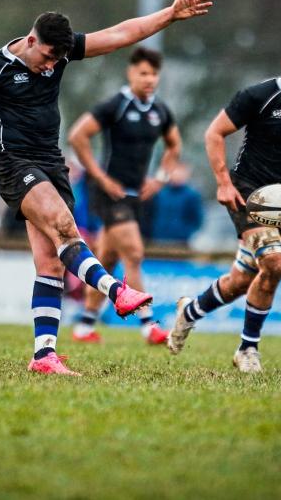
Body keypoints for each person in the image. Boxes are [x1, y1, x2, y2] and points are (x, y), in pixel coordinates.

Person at [0, 0, 212, 375]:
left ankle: (44, 355)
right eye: (48, 55)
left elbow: (119, 35)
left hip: (52, 165)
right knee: (64, 227)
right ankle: (116, 291)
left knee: (51, 263)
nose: (53, 64)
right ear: (30, 40)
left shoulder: (59, 51)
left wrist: (169, 15)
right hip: (15, 165)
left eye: (60, 57)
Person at [167, 32, 281, 373]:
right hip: (245, 190)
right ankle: (247, 349)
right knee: (276, 263)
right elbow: (214, 133)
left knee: (242, 279)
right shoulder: (259, 95)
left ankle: (189, 311)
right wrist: (223, 182)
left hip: (280, 201)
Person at [67, 46, 181, 345]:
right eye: (143, 73)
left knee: (105, 259)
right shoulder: (115, 105)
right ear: (131, 73)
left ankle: (83, 327)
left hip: (134, 196)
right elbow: (77, 135)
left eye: (154, 74)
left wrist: (160, 179)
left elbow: (174, 146)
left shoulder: (160, 111)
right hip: (108, 193)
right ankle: (148, 326)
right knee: (134, 252)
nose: (149, 79)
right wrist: (100, 177)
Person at [148, 162, 204, 245]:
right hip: (157, 238)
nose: (177, 175)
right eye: (175, 172)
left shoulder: (192, 195)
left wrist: (186, 233)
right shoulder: (160, 192)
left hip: (181, 241)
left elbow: (197, 219)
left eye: (181, 173)